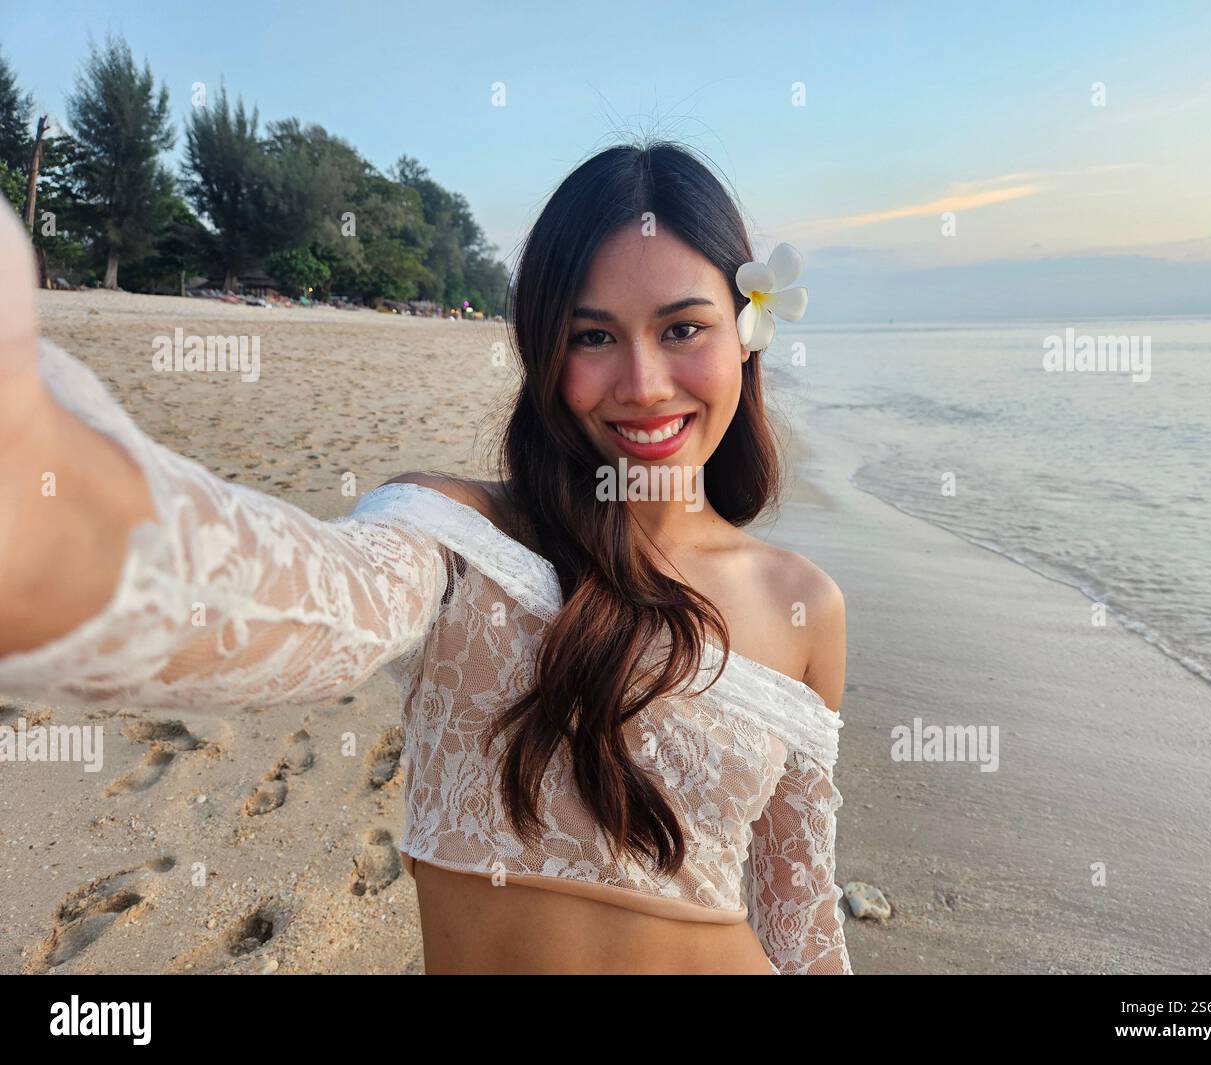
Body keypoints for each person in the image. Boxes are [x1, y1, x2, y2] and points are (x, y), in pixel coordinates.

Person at [0, 141, 852, 975]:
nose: (644, 383)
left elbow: (803, 922)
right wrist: (55, 526)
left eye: (683, 328)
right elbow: (314, 602)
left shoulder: (805, 605)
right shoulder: (458, 537)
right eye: (593, 336)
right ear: (546, 355)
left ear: (748, 332)